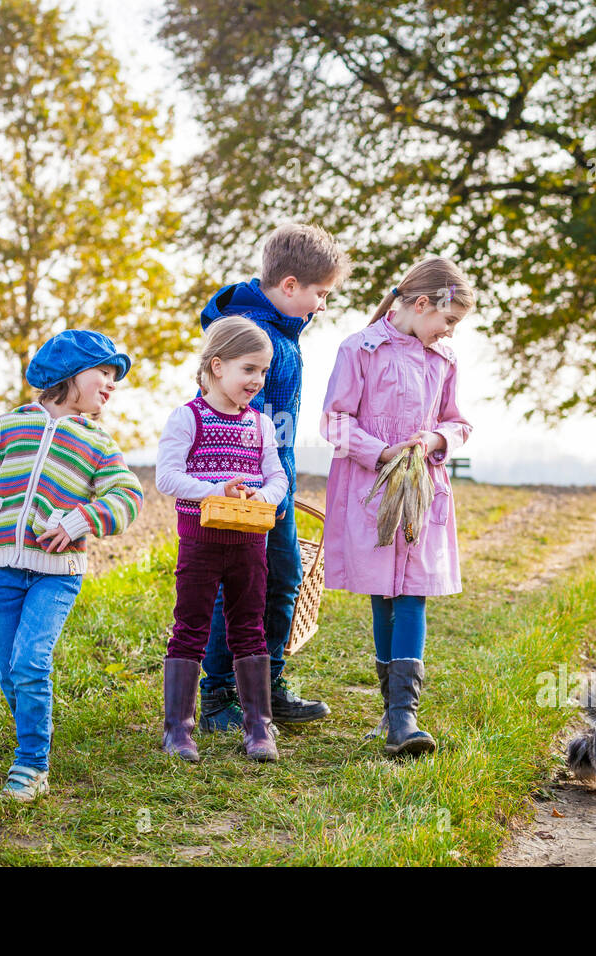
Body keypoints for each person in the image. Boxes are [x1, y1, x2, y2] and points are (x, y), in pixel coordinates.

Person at [0, 330, 143, 801]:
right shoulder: (7, 428)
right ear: (68, 374)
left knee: (32, 662)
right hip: (2, 570)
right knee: (7, 666)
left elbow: (129, 496)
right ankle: (33, 726)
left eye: (115, 376)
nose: (112, 384)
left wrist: (82, 519)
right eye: (104, 372)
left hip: (57, 575)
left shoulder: (97, 441)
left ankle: (32, 763)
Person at [196, 223, 350, 732]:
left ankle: (268, 684)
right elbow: (243, 417)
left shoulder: (284, 330)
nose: (322, 305)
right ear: (289, 286)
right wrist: (256, 483)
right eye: (320, 294)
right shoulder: (252, 335)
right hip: (245, 488)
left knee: (283, 579)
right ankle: (218, 694)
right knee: (235, 587)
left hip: (276, 482)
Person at [318, 256, 475, 757]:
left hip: (421, 490)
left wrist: (434, 438)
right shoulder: (358, 350)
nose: (448, 332)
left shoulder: (444, 360)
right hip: (371, 490)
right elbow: (335, 422)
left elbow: (459, 422)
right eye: (447, 321)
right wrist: (380, 453)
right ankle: (391, 714)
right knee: (381, 594)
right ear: (423, 303)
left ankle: (405, 715)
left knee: (412, 592)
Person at [156, 317, 289, 762]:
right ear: (217, 366)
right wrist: (217, 489)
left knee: (249, 626)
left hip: (249, 544)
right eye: (249, 369)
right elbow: (167, 476)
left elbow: (278, 478)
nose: (258, 380)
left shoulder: (261, 425)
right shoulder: (188, 417)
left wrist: (260, 496)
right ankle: (178, 729)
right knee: (190, 626)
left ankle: (259, 728)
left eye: (264, 371)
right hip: (200, 541)